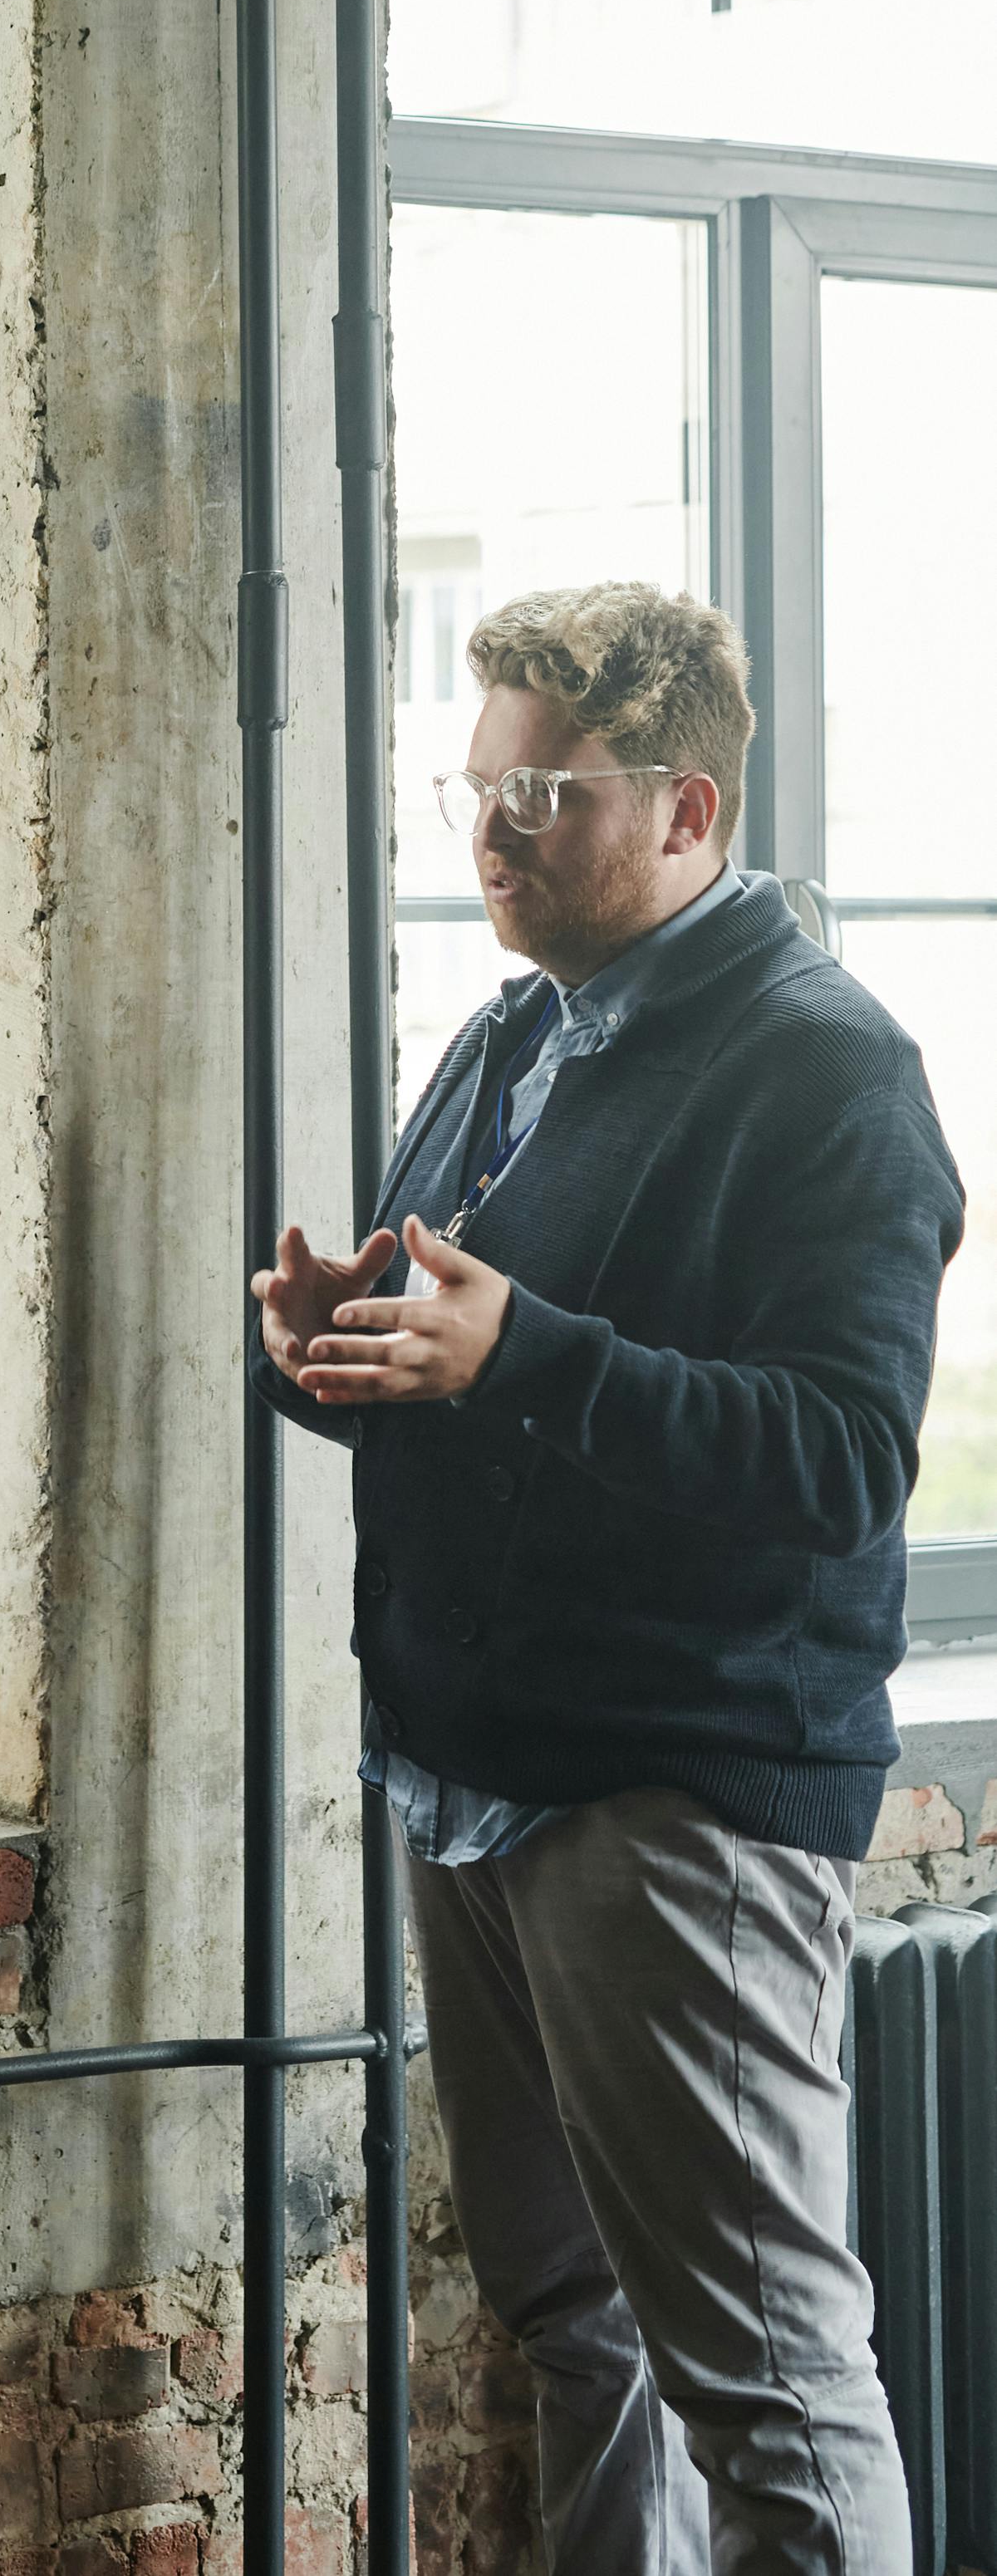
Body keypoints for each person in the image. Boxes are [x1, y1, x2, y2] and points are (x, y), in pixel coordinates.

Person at [255, 582, 962, 2576]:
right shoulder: (514, 1025)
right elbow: (477, 1380)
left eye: (542, 790)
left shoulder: (826, 1069)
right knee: (575, 2327)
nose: (485, 830)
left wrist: (516, 1352)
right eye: (474, 785)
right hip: (467, 1772)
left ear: (685, 806)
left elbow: (833, 1460)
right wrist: (338, 1352)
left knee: (760, 2372)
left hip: (675, 1796)